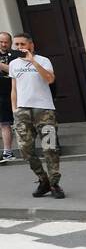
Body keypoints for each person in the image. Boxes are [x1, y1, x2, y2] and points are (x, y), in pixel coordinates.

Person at [8, 33, 62, 198]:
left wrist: (33, 61)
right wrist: (14, 110)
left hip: (44, 110)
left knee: (50, 147)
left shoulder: (43, 60)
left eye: (22, 44)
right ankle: (42, 179)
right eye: (16, 45)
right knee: (25, 149)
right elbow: (14, 88)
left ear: (31, 44)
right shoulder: (13, 64)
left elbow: (49, 79)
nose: (19, 48)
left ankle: (54, 184)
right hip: (22, 111)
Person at [0, 31, 17, 162]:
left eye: (6, 42)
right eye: (1, 41)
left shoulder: (15, 55)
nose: (4, 44)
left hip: (15, 92)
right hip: (1, 95)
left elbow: (15, 71)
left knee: (22, 122)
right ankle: (7, 152)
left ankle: (28, 150)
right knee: (4, 123)